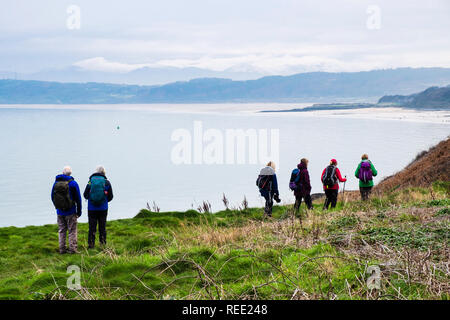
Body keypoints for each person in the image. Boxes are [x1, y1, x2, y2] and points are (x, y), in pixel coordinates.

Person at [51, 166, 82, 254]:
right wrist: (79, 211)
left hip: (60, 211)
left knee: (62, 230)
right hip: (71, 211)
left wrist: (57, 207)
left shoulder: (55, 183)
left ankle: (62, 249)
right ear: (70, 173)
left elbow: (52, 197)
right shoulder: (73, 183)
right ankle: (73, 249)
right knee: (72, 230)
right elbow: (78, 199)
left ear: (63, 172)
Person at [83, 166, 113, 248]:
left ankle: (91, 244)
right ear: (104, 173)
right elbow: (111, 196)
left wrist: (91, 198)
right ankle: (102, 244)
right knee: (102, 227)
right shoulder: (107, 182)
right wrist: (104, 200)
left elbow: (85, 195)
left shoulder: (90, 182)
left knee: (92, 227)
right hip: (103, 208)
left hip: (91, 208)